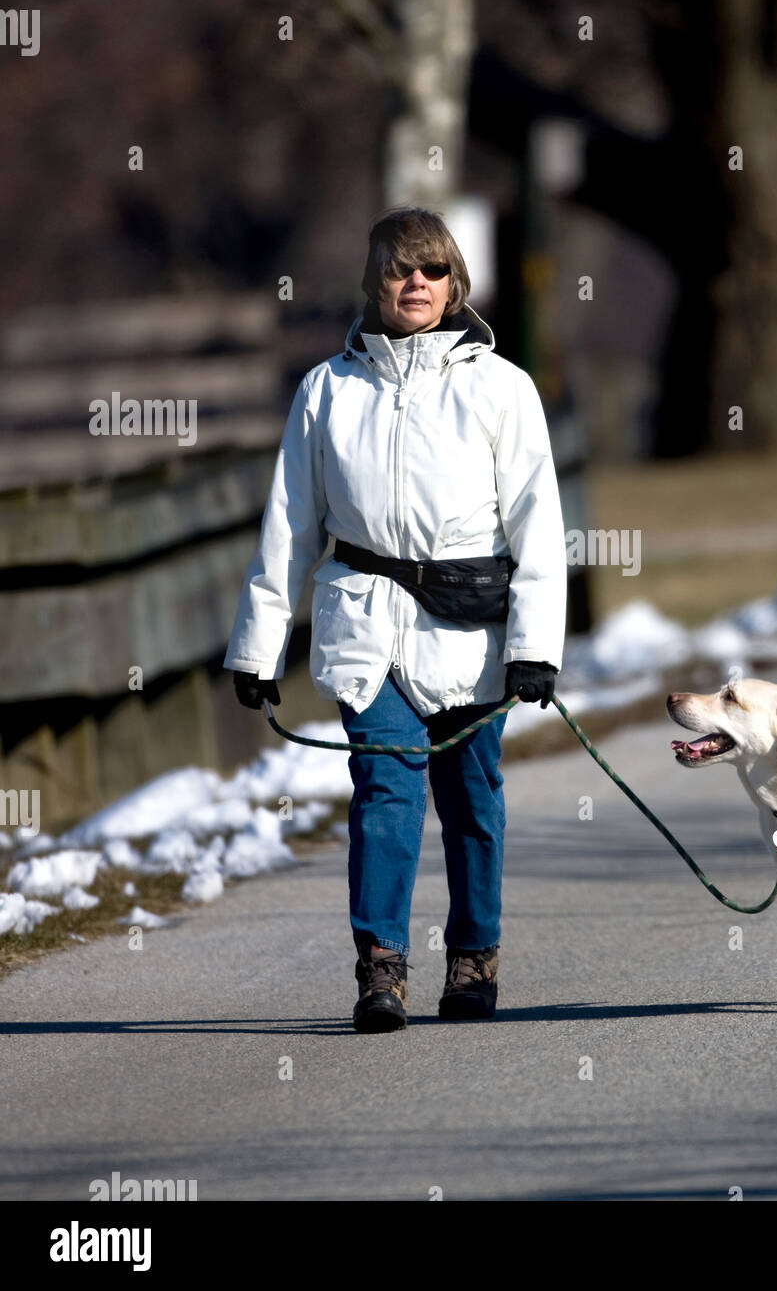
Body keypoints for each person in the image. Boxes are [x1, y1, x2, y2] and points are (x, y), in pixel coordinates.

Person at [223, 206, 567, 1033]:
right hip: (365, 626)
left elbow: (539, 527)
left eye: (432, 270)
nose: (416, 283)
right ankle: (381, 969)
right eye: (399, 269)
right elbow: (290, 526)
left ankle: (474, 958)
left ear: (456, 285)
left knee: (474, 798)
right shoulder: (325, 390)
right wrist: (258, 645)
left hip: (472, 632)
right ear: (374, 282)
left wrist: (534, 649)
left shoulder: (502, 387)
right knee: (385, 784)